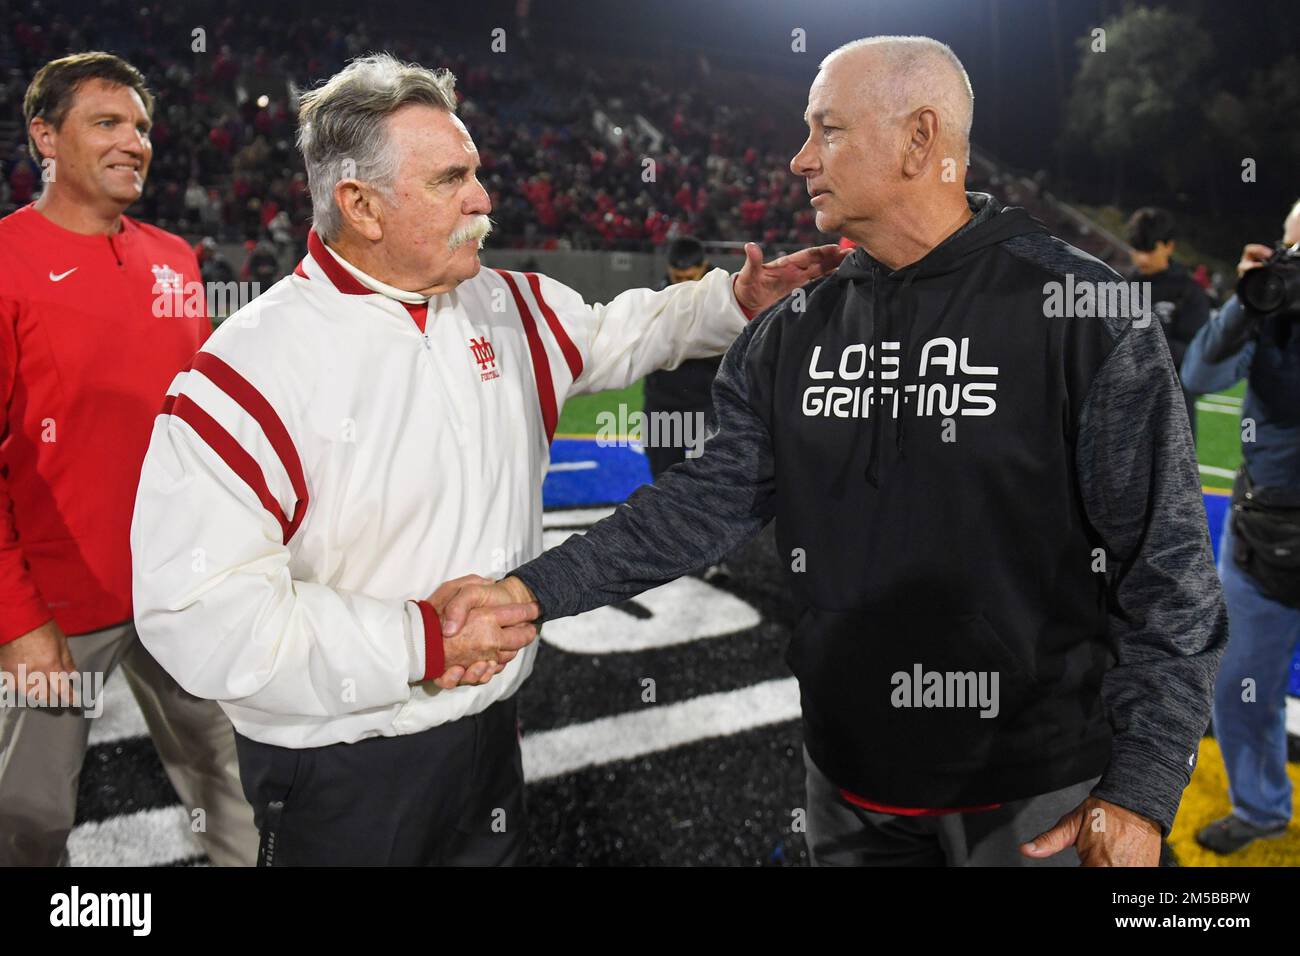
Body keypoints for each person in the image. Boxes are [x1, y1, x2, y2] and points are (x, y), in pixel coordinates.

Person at [442, 36, 1228, 867]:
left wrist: (1141, 789)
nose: (798, 157)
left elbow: (1169, 570)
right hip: (846, 781)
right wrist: (532, 591)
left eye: (827, 130)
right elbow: (701, 503)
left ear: (921, 140)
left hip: (1038, 793)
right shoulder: (793, 328)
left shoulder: (1084, 312)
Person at [129, 53, 846, 866]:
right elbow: (194, 611)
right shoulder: (251, 366)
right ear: (358, 205)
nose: (483, 198)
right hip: (341, 762)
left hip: (491, 740)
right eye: (450, 179)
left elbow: (629, 329)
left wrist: (734, 301)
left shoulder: (507, 305)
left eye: (475, 172)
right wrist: (419, 641)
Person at [0, 52, 258, 866]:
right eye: (106, 123)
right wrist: (19, 623)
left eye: (141, 126)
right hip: (57, 606)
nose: (134, 142)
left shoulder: (176, 260)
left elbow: (203, 420)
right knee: (28, 821)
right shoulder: (4, 262)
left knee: (236, 789)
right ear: (45, 136)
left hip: (182, 586)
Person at [1182, 200, 1300, 855]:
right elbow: (1198, 374)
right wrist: (1247, 302)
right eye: (1293, 252)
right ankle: (1259, 807)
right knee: (1238, 684)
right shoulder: (1269, 310)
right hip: (1265, 532)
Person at [1125, 207, 1211, 442]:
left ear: (1169, 246)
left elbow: (1197, 354)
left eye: (1149, 250)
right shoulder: (1118, 287)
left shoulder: (1189, 291)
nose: (1142, 258)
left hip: (1173, 409)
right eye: (1136, 250)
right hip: (1124, 407)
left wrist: (1144, 343)